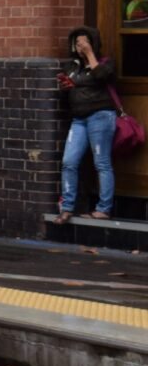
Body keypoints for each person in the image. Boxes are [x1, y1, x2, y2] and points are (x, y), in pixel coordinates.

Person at [56, 26, 117, 221]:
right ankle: (67, 207)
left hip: (100, 116)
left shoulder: (105, 63)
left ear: (93, 43)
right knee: (69, 162)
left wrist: (90, 54)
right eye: (77, 42)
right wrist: (65, 88)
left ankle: (104, 209)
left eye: (84, 42)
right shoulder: (73, 66)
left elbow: (101, 76)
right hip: (79, 119)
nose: (80, 45)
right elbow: (69, 91)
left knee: (102, 163)